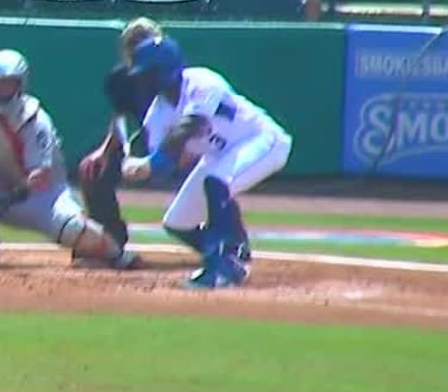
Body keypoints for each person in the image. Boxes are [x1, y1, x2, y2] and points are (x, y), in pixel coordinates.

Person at [79, 25, 292, 289]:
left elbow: (190, 126)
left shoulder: (201, 81)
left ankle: (224, 267)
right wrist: (136, 165)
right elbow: (162, 155)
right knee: (178, 222)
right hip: (220, 154)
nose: (143, 81)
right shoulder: (159, 109)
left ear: (164, 70)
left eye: (148, 74)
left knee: (216, 181)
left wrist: (152, 163)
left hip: (263, 141)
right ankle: (234, 248)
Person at [0, 49, 141, 271]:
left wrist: (0, 201)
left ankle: (118, 254)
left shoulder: (35, 121)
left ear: (19, 85)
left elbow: (39, 177)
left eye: (5, 84)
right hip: (6, 192)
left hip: (45, 199)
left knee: (74, 228)